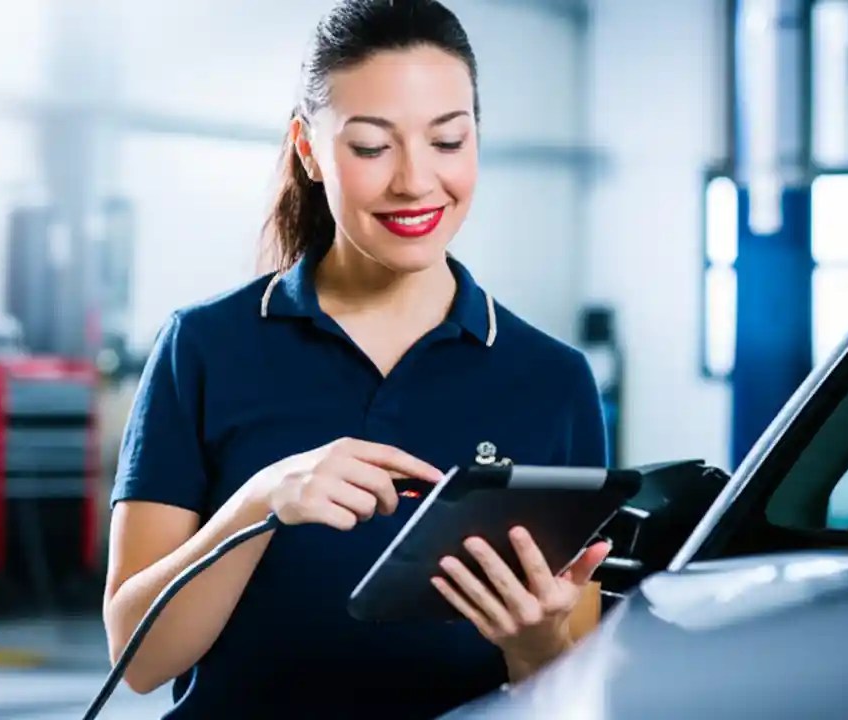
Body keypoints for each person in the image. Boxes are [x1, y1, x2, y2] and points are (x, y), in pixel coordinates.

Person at [102, 1, 611, 717]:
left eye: (448, 141)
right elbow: (139, 658)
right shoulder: (206, 347)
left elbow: (569, 687)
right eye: (372, 146)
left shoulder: (553, 381)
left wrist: (534, 642)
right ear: (308, 150)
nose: (414, 181)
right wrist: (259, 503)